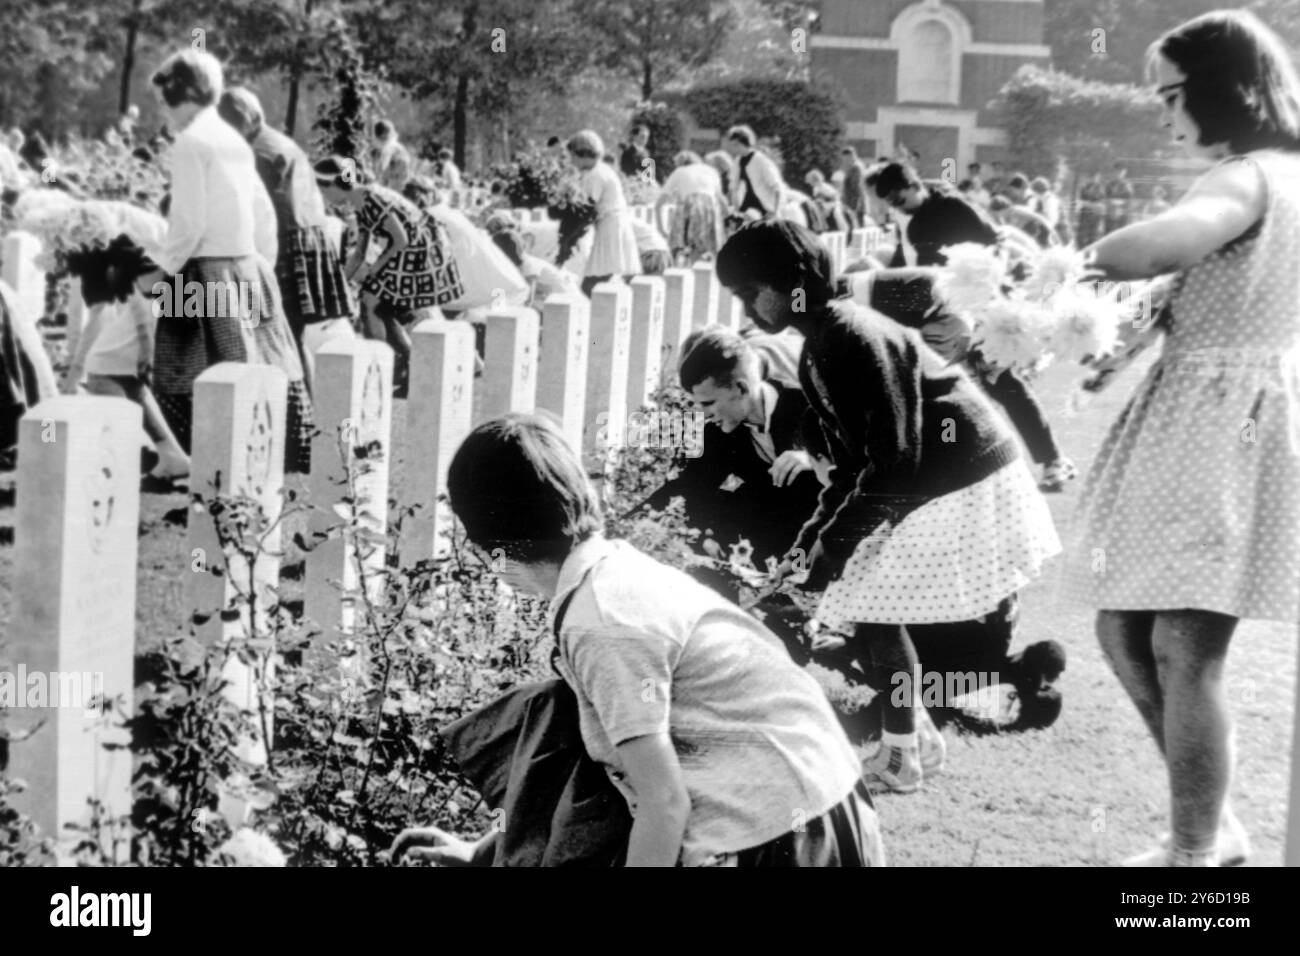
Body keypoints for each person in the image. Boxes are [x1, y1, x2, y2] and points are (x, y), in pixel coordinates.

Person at [406, 411, 885, 866]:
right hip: (807, 794)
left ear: (492, 546)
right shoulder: (606, 574)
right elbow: (595, 764)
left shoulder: (602, 623)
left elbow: (664, 804)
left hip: (784, 825)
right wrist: (484, 852)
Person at [1070, 8, 1300, 867]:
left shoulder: (1249, 177)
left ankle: (1197, 854)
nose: (1167, 116)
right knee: (1124, 630)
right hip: (1198, 417)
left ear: (1222, 88)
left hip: (1222, 426)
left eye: (1174, 95)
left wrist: (1078, 260)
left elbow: (1166, 245)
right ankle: (1212, 823)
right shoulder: (1273, 174)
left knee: (1182, 644)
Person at [717, 220, 1060, 793]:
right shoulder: (823, 339)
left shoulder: (847, 334)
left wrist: (834, 546)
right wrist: (811, 541)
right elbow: (855, 464)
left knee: (873, 603)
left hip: (963, 473)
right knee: (872, 605)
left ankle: (905, 752)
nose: (747, 308)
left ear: (790, 279)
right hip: (940, 473)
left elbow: (894, 457)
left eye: (749, 291)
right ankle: (912, 740)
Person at [133, 48, 314, 473]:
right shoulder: (233, 138)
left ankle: (204, 463)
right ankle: (258, 461)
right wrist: (259, 265)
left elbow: (188, 221)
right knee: (256, 366)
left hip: (204, 271)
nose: (163, 109)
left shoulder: (191, 142)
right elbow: (261, 210)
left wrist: (161, 273)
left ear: (184, 93)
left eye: (165, 98)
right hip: (246, 268)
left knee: (195, 372)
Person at [644, 328, 825, 570]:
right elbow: (690, 486)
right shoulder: (719, 430)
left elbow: (871, 469)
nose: (704, 414)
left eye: (709, 403)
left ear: (740, 389)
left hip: (831, 539)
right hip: (778, 544)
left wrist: (813, 459)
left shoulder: (809, 406)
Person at [217, 87, 356, 392]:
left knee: (277, 335)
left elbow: (255, 214)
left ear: (241, 121)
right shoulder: (280, 142)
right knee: (290, 334)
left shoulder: (256, 154)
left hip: (288, 242)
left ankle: (293, 412)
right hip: (312, 239)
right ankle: (303, 407)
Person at [314, 156, 464, 390]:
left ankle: (383, 364)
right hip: (410, 247)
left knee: (371, 300)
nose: (325, 198)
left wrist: (376, 269)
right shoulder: (359, 200)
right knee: (380, 306)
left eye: (324, 191)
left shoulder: (368, 198)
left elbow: (401, 238)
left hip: (419, 248)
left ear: (333, 185)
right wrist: (341, 283)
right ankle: (405, 365)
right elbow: (360, 253)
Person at [567, 130, 641, 296]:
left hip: (611, 227)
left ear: (583, 153)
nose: (571, 161)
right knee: (602, 279)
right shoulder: (601, 170)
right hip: (613, 225)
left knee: (592, 285)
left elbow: (587, 209)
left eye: (573, 156)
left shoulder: (595, 174)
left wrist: (571, 234)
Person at [654, 150, 726, 265]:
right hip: (711, 206)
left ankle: (692, 268)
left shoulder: (680, 172)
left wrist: (661, 228)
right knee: (710, 246)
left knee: (689, 244)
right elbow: (721, 200)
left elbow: (659, 204)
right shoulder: (711, 171)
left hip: (691, 206)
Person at [722, 125, 787, 222]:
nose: (732, 148)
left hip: (765, 209)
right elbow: (733, 188)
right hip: (747, 209)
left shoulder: (761, 161)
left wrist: (775, 211)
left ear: (740, 143)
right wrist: (735, 208)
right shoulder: (737, 162)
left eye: (734, 144)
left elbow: (777, 186)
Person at [371, 119, 414, 192]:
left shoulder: (391, 147)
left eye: (384, 135)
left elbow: (382, 171)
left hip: (396, 183)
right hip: (394, 181)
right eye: (381, 136)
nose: (382, 138)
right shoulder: (388, 147)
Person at [838, 147, 870, 224]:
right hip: (856, 202)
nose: (844, 161)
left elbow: (856, 185)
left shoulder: (855, 167)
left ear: (851, 156)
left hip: (853, 203)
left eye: (845, 159)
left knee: (855, 226)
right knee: (859, 225)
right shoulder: (858, 165)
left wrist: (855, 205)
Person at [1077, 171, 1107, 247]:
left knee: (1092, 236)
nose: (1094, 179)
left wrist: (1089, 204)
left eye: (1096, 177)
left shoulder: (1101, 188)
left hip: (1095, 216)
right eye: (1092, 177)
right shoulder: (1084, 187)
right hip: (1084, 215)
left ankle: (1090, 253)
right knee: (1081, 236)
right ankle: (1081, 251)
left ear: (1098, 178)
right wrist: (1090, 204)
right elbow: (1081, 201)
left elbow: (1100, 203)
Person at [1104, 163, 1135, 235]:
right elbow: (1106, 199)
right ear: (1114, 172)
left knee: (1121, 235)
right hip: (1111, 214)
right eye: (1117, 172)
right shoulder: (1109, 185)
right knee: (1109, 235)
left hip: (1122, 215)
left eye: (1121, 172)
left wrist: (1120, 207)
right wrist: (1112, 206)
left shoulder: (1127, 185)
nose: (1119, 174)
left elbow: (1129, 201)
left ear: (1125, 173)